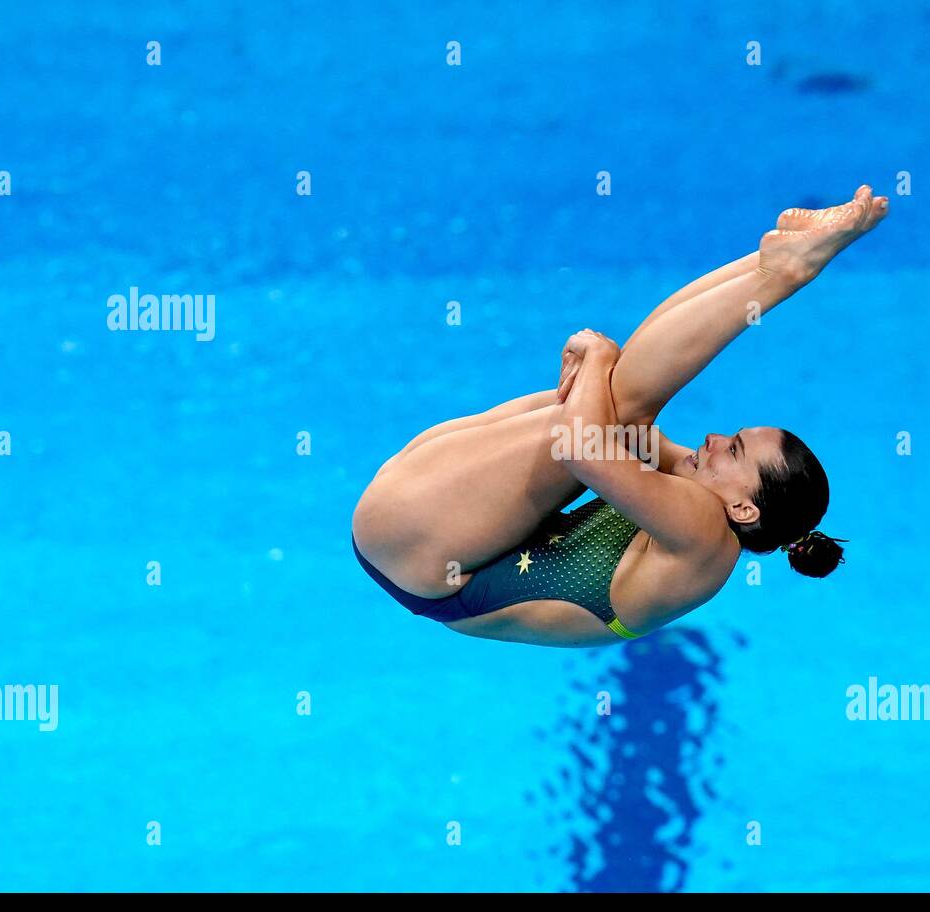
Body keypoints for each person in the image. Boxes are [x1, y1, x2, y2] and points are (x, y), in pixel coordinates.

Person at [352, 186, 888, 646]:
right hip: (420, 543)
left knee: (616, 395)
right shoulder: (705, 505)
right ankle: (770, 261)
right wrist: (598, 369)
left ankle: (784, 269)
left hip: (420, 547)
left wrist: (596, 355)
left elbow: (584, 451)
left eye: (735, 451)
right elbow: (631, 424)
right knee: (621, 397)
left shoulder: (705, 533)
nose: (715, 438)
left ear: (745, 508)